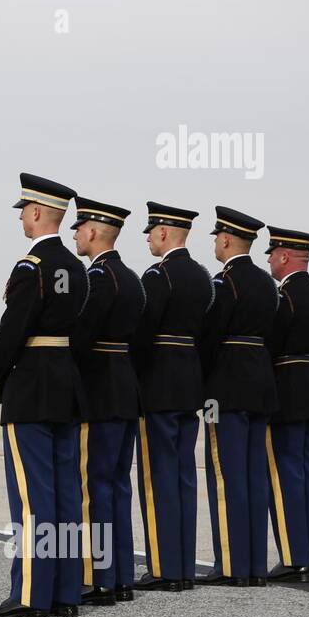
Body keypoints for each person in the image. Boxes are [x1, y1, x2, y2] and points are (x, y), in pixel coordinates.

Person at [0, 173, 88, 617]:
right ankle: (64, 593)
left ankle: (30, 595)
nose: (22, 216)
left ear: (39, 212)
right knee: (65, 495)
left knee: (32, 498)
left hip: (32, 388)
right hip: (67, 384)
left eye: (24, 209)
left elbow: (13, 329)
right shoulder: (77, 268)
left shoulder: (32, 266)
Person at [130, 202, 212, 592]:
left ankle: (163, 569)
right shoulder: (202, 276)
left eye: (150, 231)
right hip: (189, 382)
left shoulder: (158, 274)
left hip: (159, 384)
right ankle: (182, 566)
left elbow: (143, 331)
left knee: (157, 477)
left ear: (164, 232)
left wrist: (135, 372)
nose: (147, 237)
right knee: (183, 476)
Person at [68, 196, 145, 605]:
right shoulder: (131, 277)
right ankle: (120, 578)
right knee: (118, 486)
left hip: (98, 392)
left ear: (94, 231)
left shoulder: (98, 278)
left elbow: (82, 336)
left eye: (79, 228)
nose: (76, 235)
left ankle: (96, 577)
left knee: (93, 487)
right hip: (125, 390)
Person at [198, 206, 279, 587]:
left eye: (217, 237)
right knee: (254, 478)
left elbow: (209, 338)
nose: (215, 242)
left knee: (226, 477)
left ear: (227, 239)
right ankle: (256, 566)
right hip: (261, 384)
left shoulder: (222, 283)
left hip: (225, 389)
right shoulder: (267, 283)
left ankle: (231, 565)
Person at [264, 226, 309, 583]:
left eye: (271, 253)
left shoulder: (283, 298)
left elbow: (271, 346)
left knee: (285, 473)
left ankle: (294, 558)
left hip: (288, 390)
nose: (267, 259)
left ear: (284, 257)